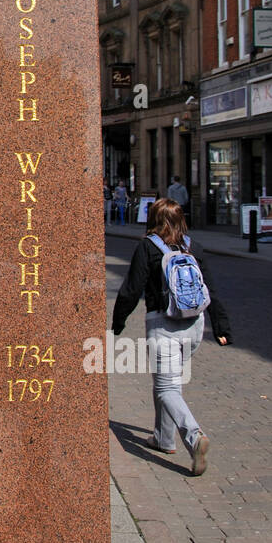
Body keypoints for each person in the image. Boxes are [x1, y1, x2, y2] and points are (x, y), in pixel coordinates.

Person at [111, 196, 231, 475]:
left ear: (152, 219)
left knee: (167, 387)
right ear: (181, 220)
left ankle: (194, 436)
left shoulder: (148, 247)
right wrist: (222, 326)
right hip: (194, 325)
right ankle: (163, 438)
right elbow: (210, 289)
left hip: (163, 324)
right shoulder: (194, 247)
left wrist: (118, 321)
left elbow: (131, 289)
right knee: (169, 382)